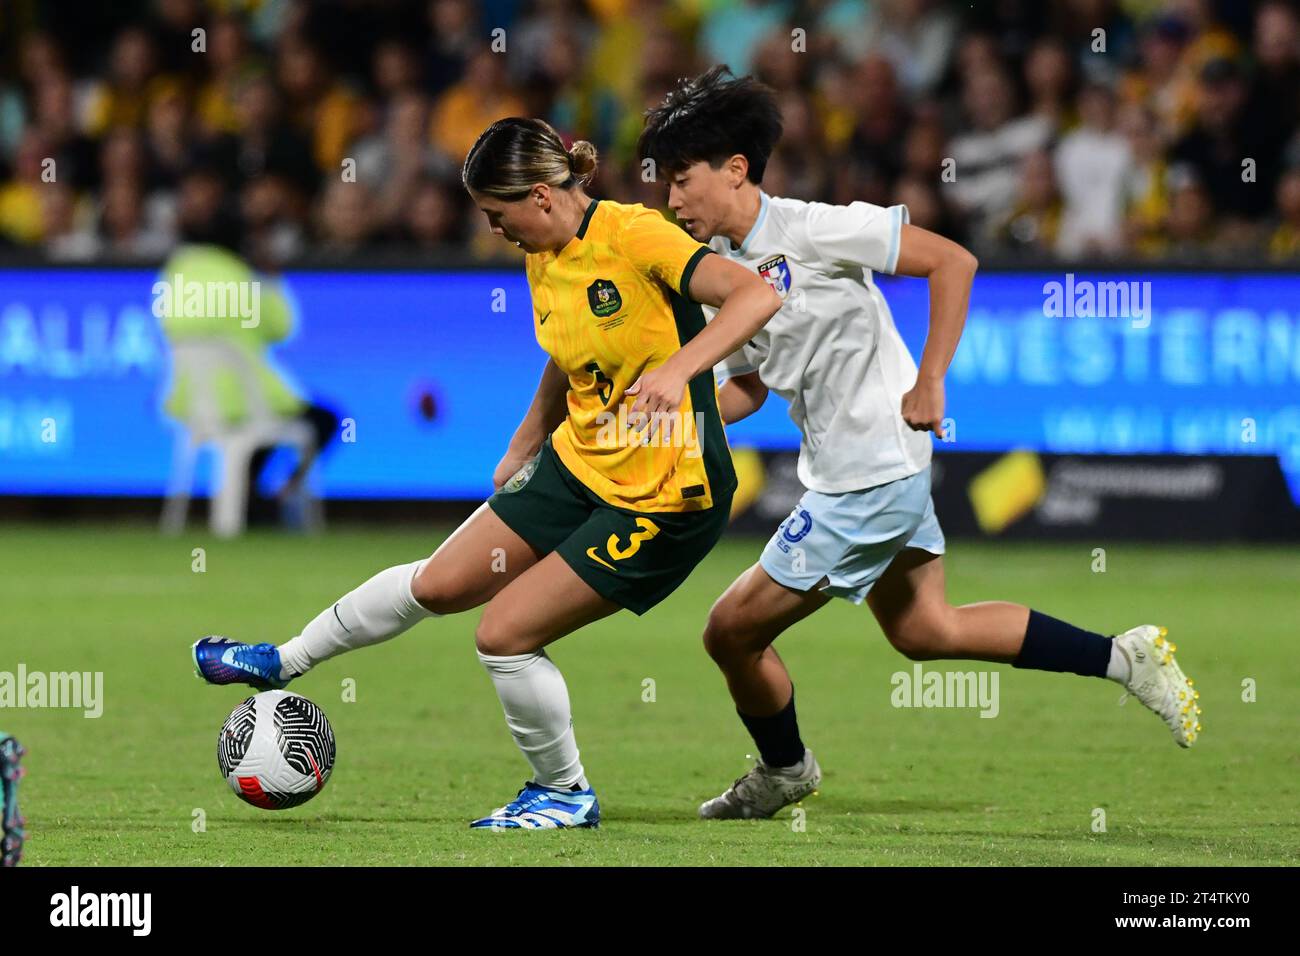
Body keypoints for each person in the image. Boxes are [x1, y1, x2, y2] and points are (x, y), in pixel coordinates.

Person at [637, 67, 1201, 821]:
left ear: (736, 170)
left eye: (681, 180)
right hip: (865, 468)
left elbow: (952, 261)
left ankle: (784, 770)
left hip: (869, 474)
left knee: (729, 631)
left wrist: (931, 379)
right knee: (925, 630)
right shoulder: (729, 274)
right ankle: (1123, 656)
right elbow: (751, 386)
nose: (671, 200)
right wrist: (674, 415)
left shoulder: (811, 227)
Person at [192, 117, 783, 829]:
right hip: (581, 461)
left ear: (540, 196)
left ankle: (565, 792)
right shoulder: (544, 250)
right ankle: (282, 660)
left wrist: (679, 370)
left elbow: (756, 293)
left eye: (497, 216)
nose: (495, 231)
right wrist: (529, 436)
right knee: (438, 583)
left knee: (503, 634)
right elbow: (569, 355)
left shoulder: (636, 235)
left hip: (666, 497)